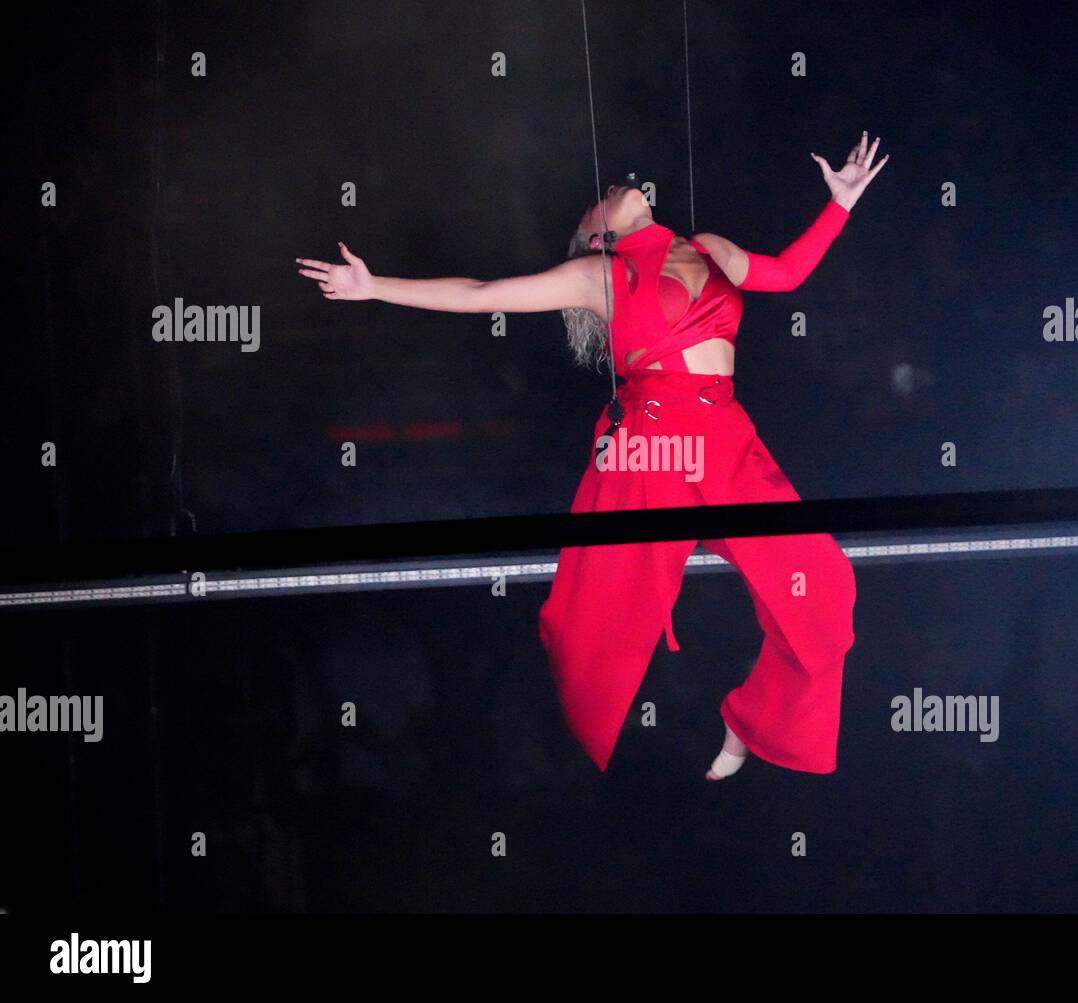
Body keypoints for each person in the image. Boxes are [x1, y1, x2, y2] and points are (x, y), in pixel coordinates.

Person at [295, 129, 889, 780]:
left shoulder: (709, 248)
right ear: (595, 233)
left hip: (727, 436)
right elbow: (480, 292)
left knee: (826, 585)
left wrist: (841, 204)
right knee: (601, 615)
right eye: (600, 197)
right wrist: (374, 285)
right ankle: (590, 759)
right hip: (656, 438)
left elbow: (788, 272)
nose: (615, 188)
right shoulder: (600, 275)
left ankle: (753, 719)